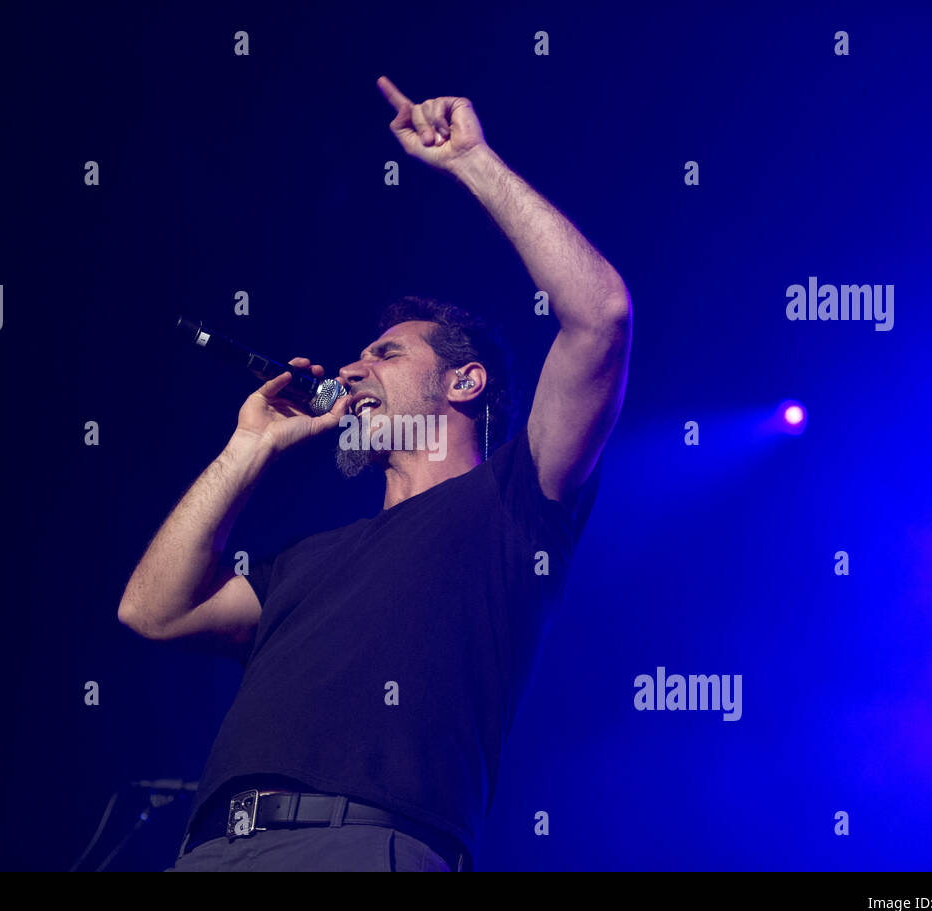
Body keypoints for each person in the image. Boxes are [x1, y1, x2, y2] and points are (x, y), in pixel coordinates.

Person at [118, 76, 633, 871]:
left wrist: (471, 160)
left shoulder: (513, 502)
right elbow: (152, 610)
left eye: (385, 354)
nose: (352, 370)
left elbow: (600, 318)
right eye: (357, 357)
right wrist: (249, 446)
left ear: (465, 382)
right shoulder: (305, 559)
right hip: (214, 849)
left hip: (365, 844)